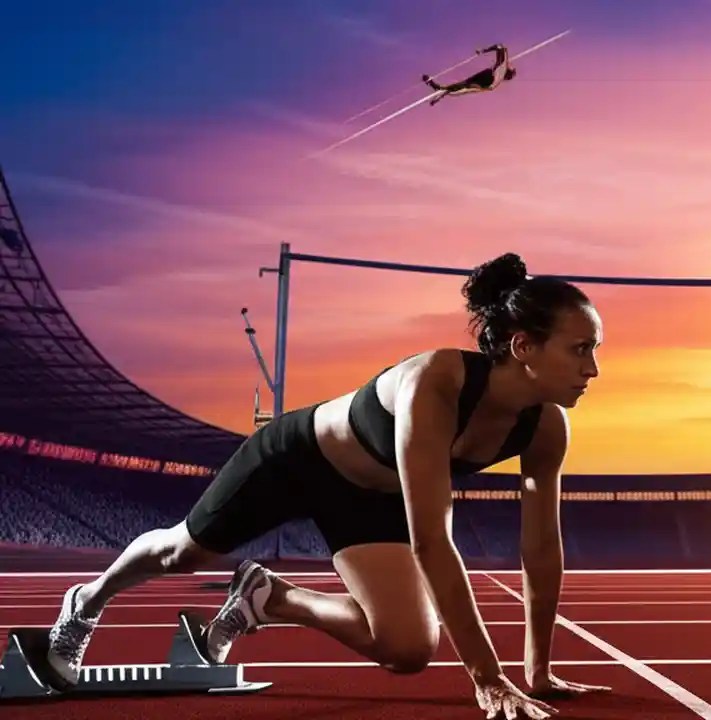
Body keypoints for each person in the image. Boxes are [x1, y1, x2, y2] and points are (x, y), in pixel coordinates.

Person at [40, 253, 610, 718]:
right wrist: (488, 678)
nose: (593, 369)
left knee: (408, 649)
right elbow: (432, 541)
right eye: (580, 349)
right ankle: (88, 600)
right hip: (298, 460)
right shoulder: (435, 383)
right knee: (180, 552)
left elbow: (541, 552)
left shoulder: (545, 428)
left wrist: (537, 672)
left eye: (595, 351)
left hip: (374, 499)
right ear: (523, 347)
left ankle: (271, 598)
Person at [423, 44, 517, 106]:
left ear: (509, 70)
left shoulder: (503, 65)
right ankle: (441, 91)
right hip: (486, 81)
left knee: (464, 86)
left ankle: (441, 90)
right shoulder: (500, 74)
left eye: (511, 67)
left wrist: (483, 50)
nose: (510, 65)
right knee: (463, 86)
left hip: (487, 79)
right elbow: (489, 87)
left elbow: (500, 46)